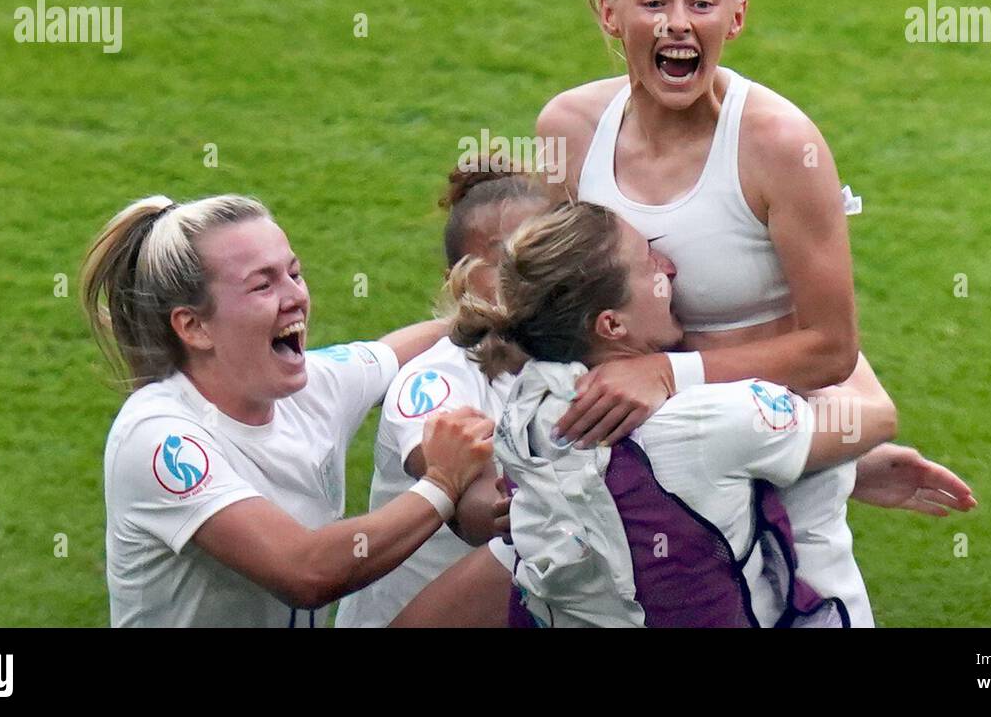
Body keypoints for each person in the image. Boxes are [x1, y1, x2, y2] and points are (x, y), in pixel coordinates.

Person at [532, 0, 955, 624]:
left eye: (701, 1)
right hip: (635, 477)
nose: (677, 24)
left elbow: (832, 349)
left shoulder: (778, 145)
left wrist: (671, 374)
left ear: (738, 16)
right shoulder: (568, 132)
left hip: (782, 493)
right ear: (609, 14)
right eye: (651, 2)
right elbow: (551, 312)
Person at [396, 202, 897, 627]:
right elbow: (872, 415)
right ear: (611, 324)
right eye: (648, 262)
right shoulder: (709, 418)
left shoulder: (525, 408)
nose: (670, 268)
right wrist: (809, 312)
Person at [79, 193, 494, 627]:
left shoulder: (309, 387)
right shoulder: (160, 439)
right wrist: (442, 483)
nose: (294, 296)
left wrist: (502, 315)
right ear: (194, 326)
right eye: (263, 285)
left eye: (294, 274)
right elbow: (305, 572)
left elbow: (393, 352)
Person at [335, 167, 552, 627]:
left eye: (546, 250)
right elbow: (471, 510)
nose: (534, 273)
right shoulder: (434, 383)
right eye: (506, 259)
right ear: (456, 279)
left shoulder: (587, 354)